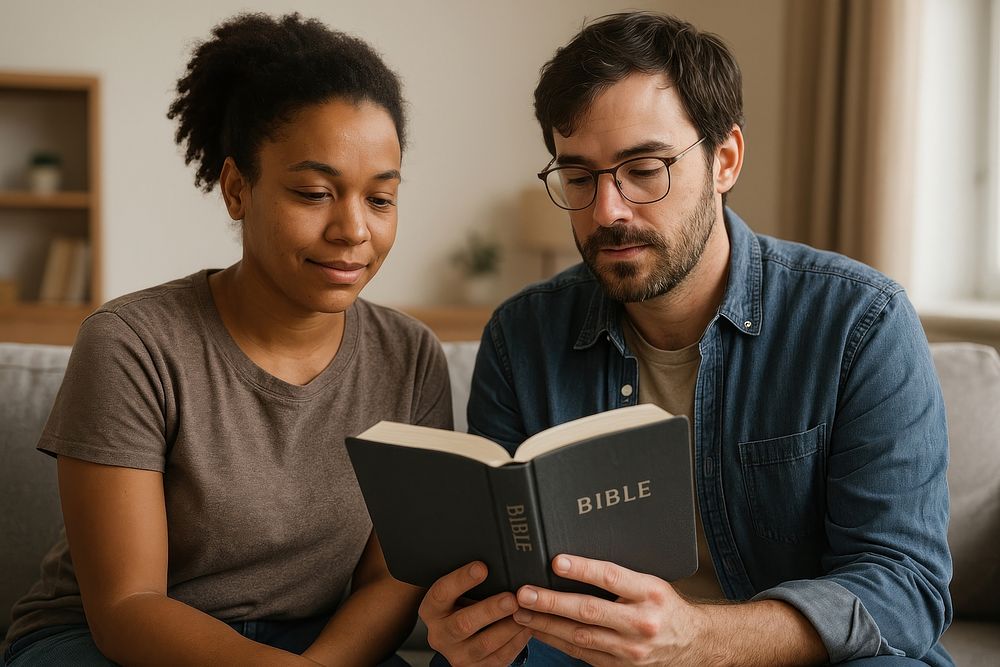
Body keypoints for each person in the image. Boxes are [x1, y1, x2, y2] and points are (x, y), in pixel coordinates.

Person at [420, 11, 952, 666]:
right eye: (580, 177)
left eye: (643, 168)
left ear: (724, 159)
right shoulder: (520, 336)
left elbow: (905, 590)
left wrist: (697, 638)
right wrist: (471, 634)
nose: (607, 210)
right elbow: (505, 579)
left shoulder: (859, 322)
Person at [1, 13, 450, 667]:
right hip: (116, 641)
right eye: (315, 192)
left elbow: (393, 576)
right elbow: (126, 605)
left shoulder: (410, 359)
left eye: (380, 199)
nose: (354, 229)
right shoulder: (131, 345)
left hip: (317, 643)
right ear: (238, 188)